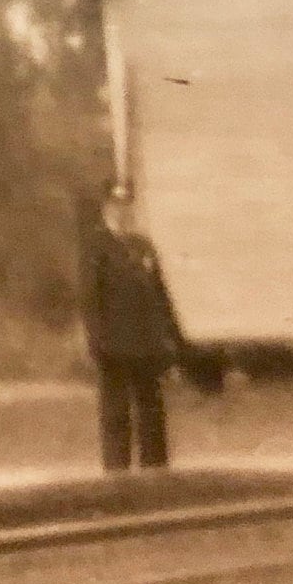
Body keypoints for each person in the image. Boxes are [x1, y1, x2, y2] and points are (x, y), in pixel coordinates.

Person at [84, 181, 185, 473]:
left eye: (126, 206)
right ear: (106, 209)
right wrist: (97, 341)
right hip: (114, 344)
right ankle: (117, 471)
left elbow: (160, 296)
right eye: (116, 206)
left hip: (147, 344)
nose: (122, 212)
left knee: (151, 410)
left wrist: (171, 338)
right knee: (116, 412)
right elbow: (91, 299)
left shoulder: (142, 247)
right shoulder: (97, 248)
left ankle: (155, 468)